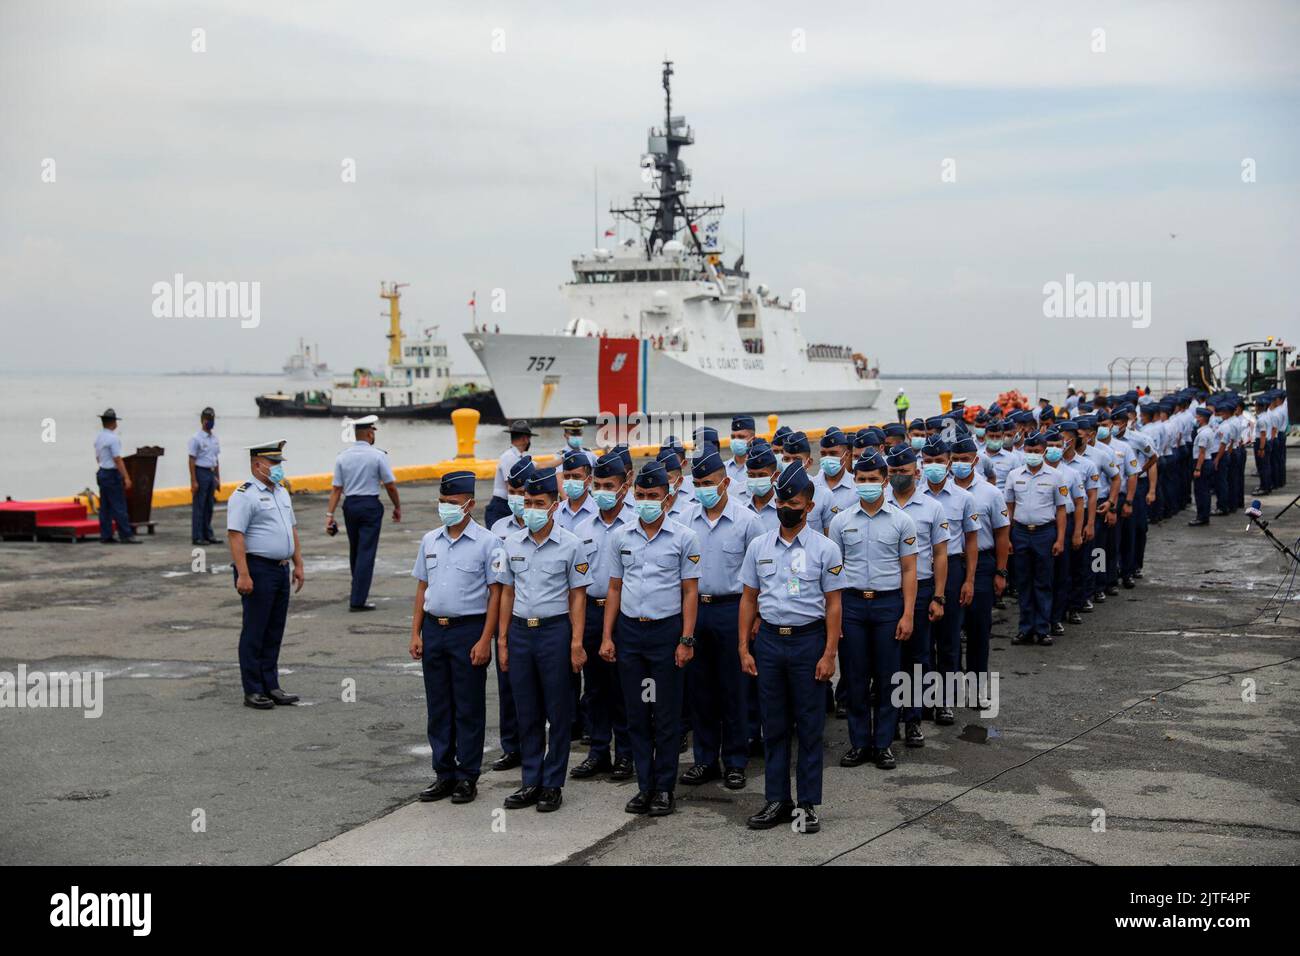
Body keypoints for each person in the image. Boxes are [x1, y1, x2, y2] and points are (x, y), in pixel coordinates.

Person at [740, 462, 845, 832]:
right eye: (782, 500)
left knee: (810, 726)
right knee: (775, 725)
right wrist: (744, 647)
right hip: (769, 641)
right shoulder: (758, 546)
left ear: (809, 507)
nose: (787, 506)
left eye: (795, 502)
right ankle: (777, 800)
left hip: (808, 642)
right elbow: (749, 599)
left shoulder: (825, 549)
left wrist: (829, 653)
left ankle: (808, 804)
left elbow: (834, 604)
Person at [600, 461, 701, 817]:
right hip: (630, 633)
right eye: (640, 495)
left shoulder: (684, 537)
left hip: (665, 632)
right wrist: (607, 636)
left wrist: (686, 639)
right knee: (637, 714)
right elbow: (614, 588)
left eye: (652, 495)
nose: (645, 501)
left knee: (667, 714)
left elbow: (690, 591)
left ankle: (664, 788)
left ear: (667, 496)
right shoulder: (621, 536)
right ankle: (645, 786)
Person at [495, 467, 592, 813]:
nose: (530, 508)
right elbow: (506, 593)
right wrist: (503, 640)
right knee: (527, 711)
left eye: (538, 503)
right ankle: (530, 781)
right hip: (521, 631)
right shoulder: (511, 543)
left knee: (559, 710)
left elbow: (578, 597)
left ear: (554, 505)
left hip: (555, 631)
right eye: (527, 501)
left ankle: (553, 783)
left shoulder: (571, 544)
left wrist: (576, 642)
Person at [410, 471, 499, 805]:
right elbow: (422, 588)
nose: (446, 507)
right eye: (442, 502)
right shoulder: (430, 540)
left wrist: (485, 639)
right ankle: (443, 774)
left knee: (468, 707)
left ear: (470, 504)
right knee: (439, 706)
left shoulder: (487, 542)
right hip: (435, 629)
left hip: (468, 630)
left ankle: (467, 776)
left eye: (453, 503)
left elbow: (496, 595)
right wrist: (415, 632)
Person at [681, 450, 762, 791]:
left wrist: (755, 617)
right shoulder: (685, 519)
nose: (703, 489)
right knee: (700, 690)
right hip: (697, 610)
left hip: (733, 610)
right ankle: (704, 759)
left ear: (726, 482)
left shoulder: (747, 521)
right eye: (697, 484)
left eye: (709, 483)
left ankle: (735, 761)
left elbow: (758, 578)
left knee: (734, 690)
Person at [571, 452, 635, 782]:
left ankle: (625, 754)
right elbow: (578, 584)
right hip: (592, 612)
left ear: (624, 486)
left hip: (625, 616)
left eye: (608, 485)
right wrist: (577, 633)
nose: (601, 491)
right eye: (596, 485)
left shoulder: (637, 524)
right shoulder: (582, 529)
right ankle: (598, 751)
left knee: (622, 687)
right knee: (594, 687)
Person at [227, 440, 304, 709]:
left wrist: (299, 564)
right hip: (257, 569)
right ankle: (253, 689)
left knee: (274, 630)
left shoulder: (281, 492)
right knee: (255, 630)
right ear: (257, 464)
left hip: (281, 568)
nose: (278, 468)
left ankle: (271, 685)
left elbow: (291, 529)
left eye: (279, 464)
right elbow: (236, 535)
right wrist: (243, 574)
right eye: (273, 464)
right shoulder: (244, 495)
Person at [880, 446, 944, 749]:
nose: (897, 477)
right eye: (892, 472)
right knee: (889, 660)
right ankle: (889, 720)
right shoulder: (881, 504)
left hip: (920, 589)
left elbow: (940, 555)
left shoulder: (931, 507)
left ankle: (914, 719)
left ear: (916, 472)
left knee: (918, 658)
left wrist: (939, 597)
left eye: (903, 472)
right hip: (889, 591)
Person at [920, 440, 976, 723]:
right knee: (922, 642)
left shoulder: (963, 498)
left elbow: (971, 541)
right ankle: (924, 700)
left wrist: (969, 580)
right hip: (919, 570)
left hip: (952, 568)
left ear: (949, 462)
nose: (933, 465)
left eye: (939, 460)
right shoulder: (914, 496)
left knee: (949, 639)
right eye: (927, 460)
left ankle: (945, 701)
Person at [487, 456, 537, 773]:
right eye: (512, 489)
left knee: (539, 691)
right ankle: (511, 747)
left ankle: (538, 747)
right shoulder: (498, 529)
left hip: (540, 615)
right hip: (509, 615)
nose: (517, 496)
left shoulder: (550, 525)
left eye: (522, 490)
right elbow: (497, 582)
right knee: (508, 687)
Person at [948, 437, 1010, 692]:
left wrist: (1001, 571)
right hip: (950, 564)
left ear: (975, 460)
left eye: (966, 459)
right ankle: (950, 689)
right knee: (949, 632)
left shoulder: (991, 493)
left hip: (983, 564)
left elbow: (1002, 534)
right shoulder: (939, 492)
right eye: (956, 459)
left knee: (978, 629)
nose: (960, 464)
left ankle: (977, 687)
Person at [326, 416, 401, 611]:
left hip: (350, 505)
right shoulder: (378, 456)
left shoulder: (342, 456)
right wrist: (397, 506)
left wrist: (329, 515)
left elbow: (336, 489)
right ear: (369, 433)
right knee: (366, 552)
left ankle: (356, 590)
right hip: (369, 505)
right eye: (373, 432)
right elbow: (390, 486)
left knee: (356, 550)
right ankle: (358, 600)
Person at [1003, 433, 1068, 645]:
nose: (1032, 455)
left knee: (1043, 582)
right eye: (1029, 451)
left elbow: (1060, 510)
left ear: (1044, 452)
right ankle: (1025, 628)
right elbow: (1009, 508)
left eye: (1036, 452)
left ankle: (1042, 628)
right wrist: (1008, 538)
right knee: (1023, 582)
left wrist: (1060, 539)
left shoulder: (1055, 476)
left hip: (1044, 533)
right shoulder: (1014, 475)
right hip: (1020, 532)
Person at [93, 408, 138, 544]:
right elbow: (117, 459)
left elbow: (97, 457)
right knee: (119, 505)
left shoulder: (99, 437)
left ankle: (106, 535)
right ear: (113, 423)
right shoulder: (113, 439)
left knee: (105, 507)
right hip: (111, 474)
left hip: (102, 471)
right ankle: (125, 534)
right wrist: (126, 477)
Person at [486, 420, 536, 528]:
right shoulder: (509, 457)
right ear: (525, 438)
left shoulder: (519, 458)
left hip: (508, 505)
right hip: (502, 507)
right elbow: (511, 486)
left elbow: (539, 465)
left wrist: (562, 458)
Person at [187, 406, 221, 546]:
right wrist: (193, 480)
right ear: (202, 420)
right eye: (208, 419)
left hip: (211, 472)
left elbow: (216, 459)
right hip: (200, 472)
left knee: (209, 506)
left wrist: (218, 477)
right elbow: (191, 459)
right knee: (199, 506)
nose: (210, 421)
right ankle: (197, 536)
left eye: (212, 419)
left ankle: (208, 534)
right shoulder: (196, 438)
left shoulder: (214, 439)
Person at [1189, 405, 1219, 526]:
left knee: (1201, 491)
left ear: (1202, 419)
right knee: (1204, 491)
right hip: (1206, 462)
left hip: (1202, 463)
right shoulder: (1207, 430)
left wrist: (1197, 468)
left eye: (1198, 416)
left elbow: (1201, 453)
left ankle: (1202, 516)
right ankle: (1203, 515)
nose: (1196, 418)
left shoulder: (1203, 434)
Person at [555, 449, 599, 532]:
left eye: (576, 476)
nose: (571, 481)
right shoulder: (555, 513)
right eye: (567, 477)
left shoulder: (599, 511)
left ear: (589, 480)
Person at [744, 441, 782, 531]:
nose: (756, 480)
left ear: (775, 476)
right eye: (751, 475)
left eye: (762, 475)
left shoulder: (785, 510)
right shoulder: (741, 510)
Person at [727, 415, 757, 491]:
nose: (736, 441)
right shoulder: (722, 468)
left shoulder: (758, 470)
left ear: (753, 439)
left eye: (741, 437)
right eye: (733, 437)